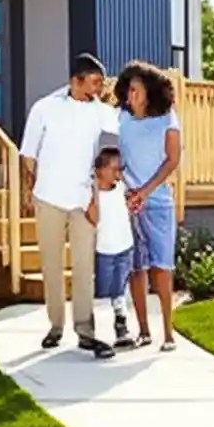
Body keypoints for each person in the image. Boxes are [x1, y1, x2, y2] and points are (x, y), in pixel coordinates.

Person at [19, 53, 120, 359]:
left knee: (83, 267)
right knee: (51, 265)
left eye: (101, 84)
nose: (100, 89)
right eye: (94, 83)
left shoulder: (101, 112)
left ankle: (86, 332)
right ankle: (55, 326)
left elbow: (126, 131)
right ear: (76, 81)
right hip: (48, 198)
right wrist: (28, 192)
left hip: (82, 201)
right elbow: (28, 155)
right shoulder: (44, 108)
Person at [115, 61, 182, 352]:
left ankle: (168, 332)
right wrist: (125, 190)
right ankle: (143, 331)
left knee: (162, 267)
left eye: (136, 90)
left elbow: (172, 159)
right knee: (136, 267)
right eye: (128, 90)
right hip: (127, 202)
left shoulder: (167, 119)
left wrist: (146, 190)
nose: (131, 96)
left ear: (149, 92)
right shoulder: (120, 119)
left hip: (157, 202)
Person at [86, 146, 137, 349]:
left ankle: (121, 326)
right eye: (115, 169)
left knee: (120, 289)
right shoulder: (92, 194)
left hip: (124, 246)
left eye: (120, 169)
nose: (119, 173)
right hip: (103, 250)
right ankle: (93, 333)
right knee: (102, 291)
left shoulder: (122, 188)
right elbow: (93, 218)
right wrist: (94, 195)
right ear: (100, 170)